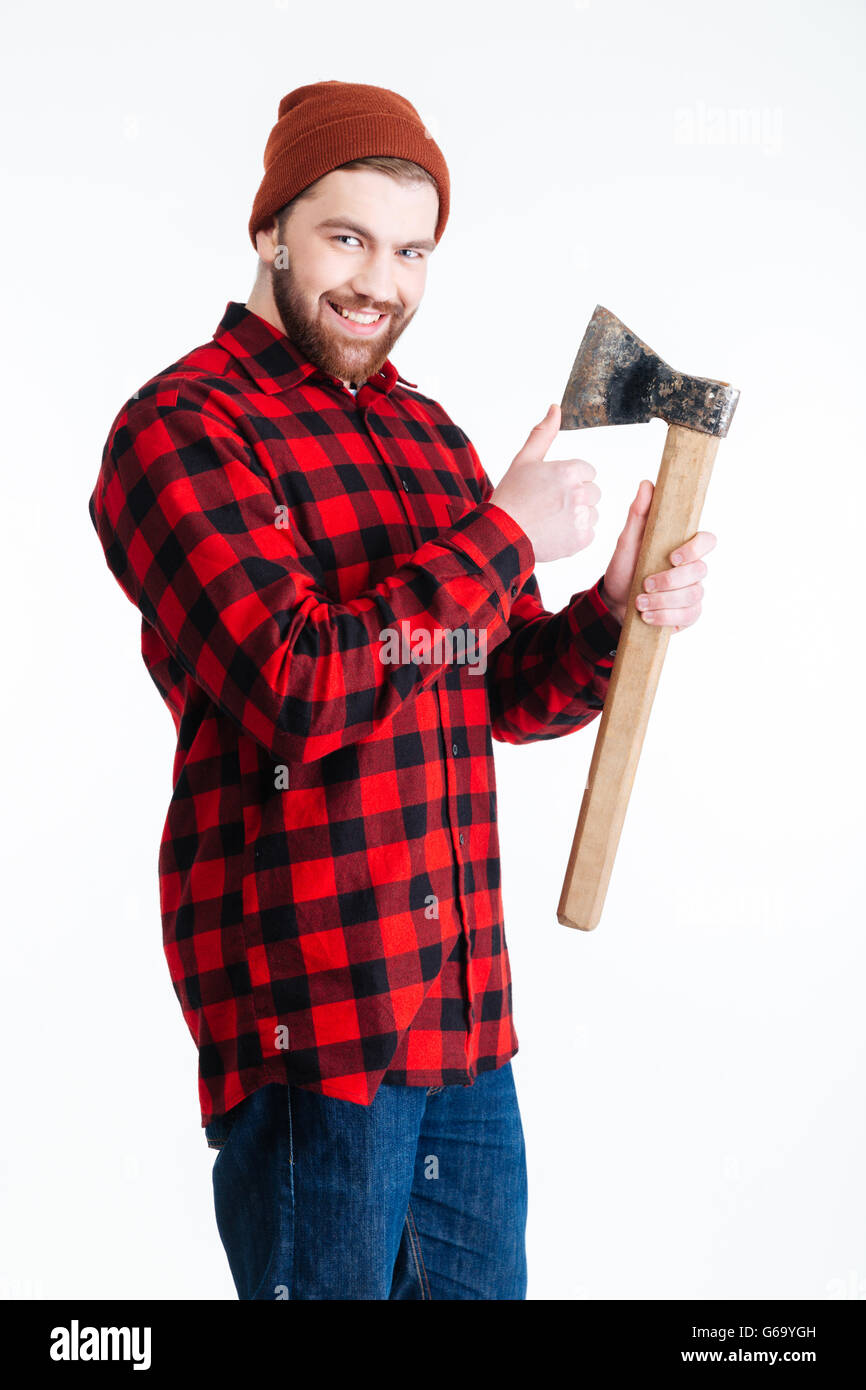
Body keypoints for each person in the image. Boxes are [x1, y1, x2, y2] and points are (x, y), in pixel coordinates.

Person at [88, 80, 715, 1300]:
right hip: (312, 1017)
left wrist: (610, 611)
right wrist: (501, 539)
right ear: (271, 230)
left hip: (463, 1021)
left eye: (412, 249)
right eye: (346, 237)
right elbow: (297, 682)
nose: (382, 279)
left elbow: (498, 689)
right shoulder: (178, 429)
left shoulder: (428, 439)